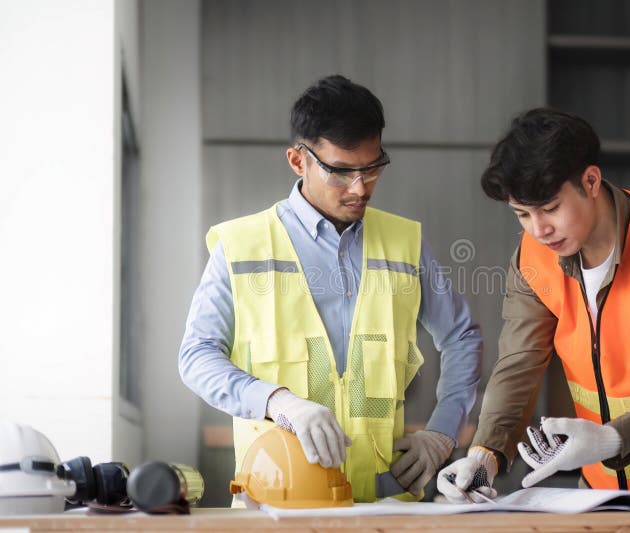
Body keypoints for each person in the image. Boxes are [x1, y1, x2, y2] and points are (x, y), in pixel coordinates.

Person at [179, 75, 482, 503]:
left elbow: (461, 336)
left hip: (385, 502)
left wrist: (442, 433)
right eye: (340, 171)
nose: (360, 187)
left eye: (372, 168)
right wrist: (277, 402)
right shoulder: (241, 246)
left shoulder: (404, 244)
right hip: (276, 498)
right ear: (297, 160)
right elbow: (196, 357)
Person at [437, 107, 630, 500]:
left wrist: (610, 439)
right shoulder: (532, 256)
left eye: (550, 208)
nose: (539, 229)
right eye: (522, 214)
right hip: (602, 492)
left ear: (590, 181)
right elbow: (519, 363)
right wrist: (485, 454)